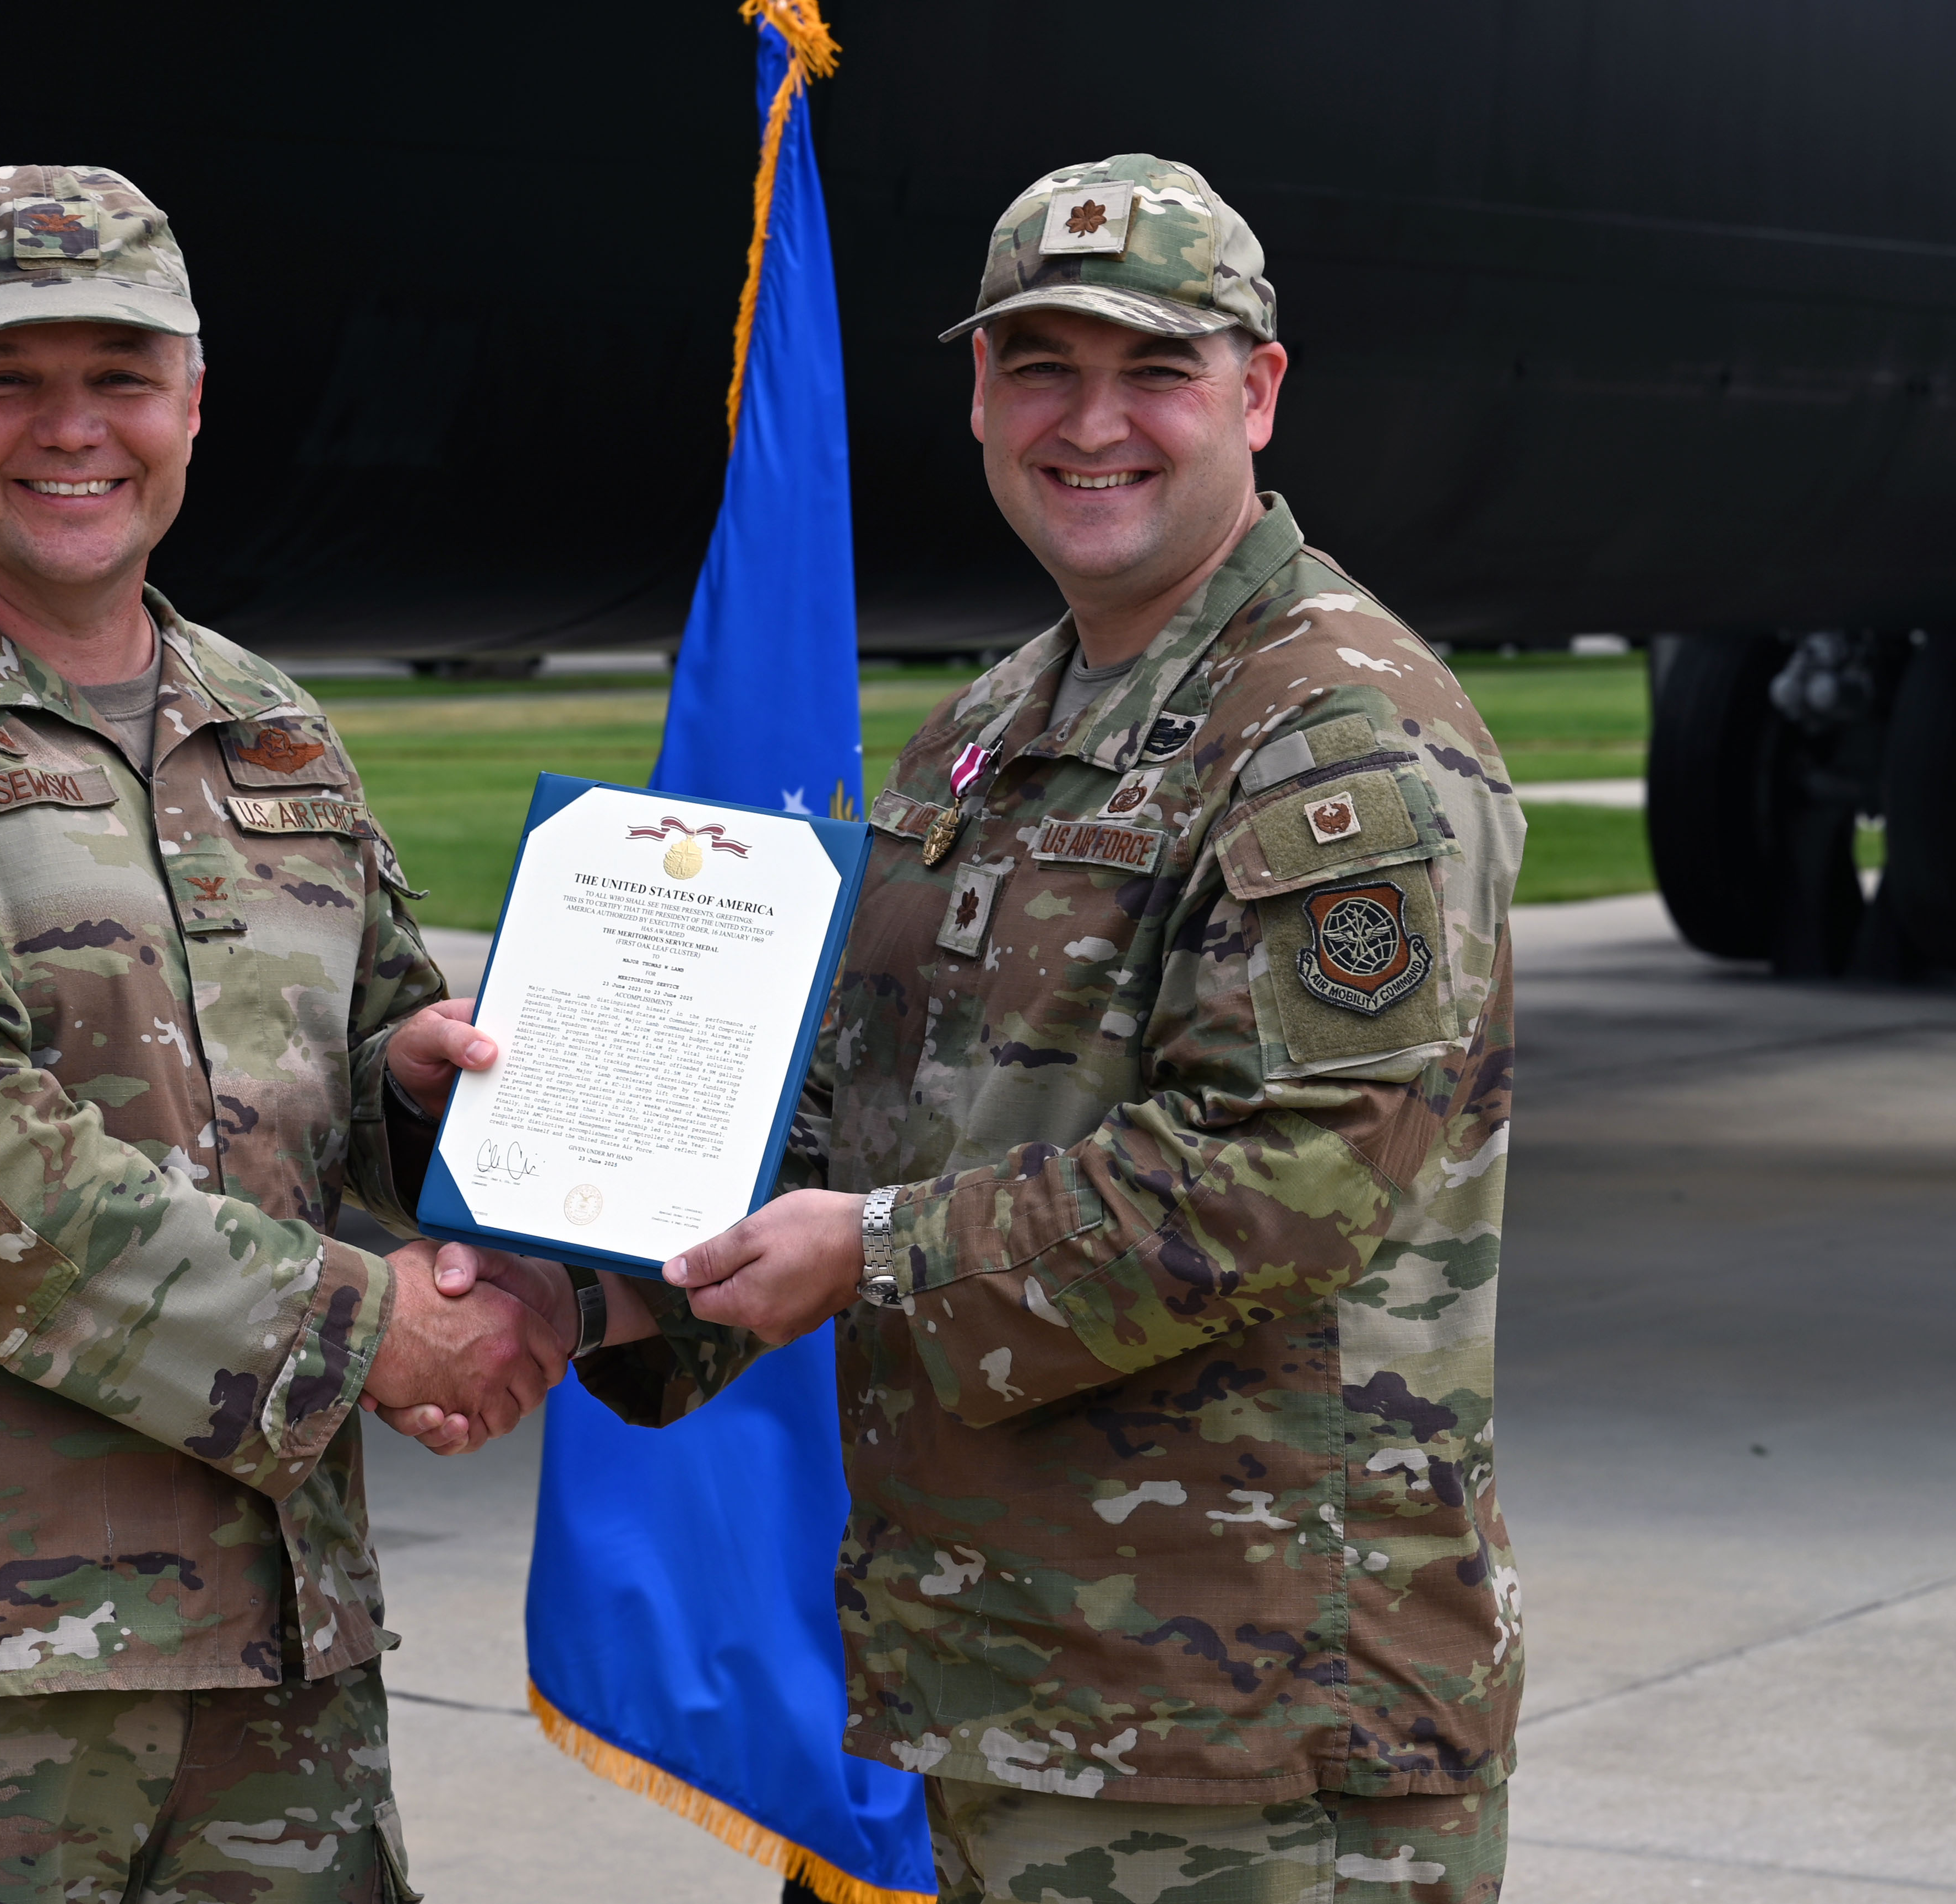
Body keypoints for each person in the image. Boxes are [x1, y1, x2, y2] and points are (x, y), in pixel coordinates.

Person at [431, 154, 1526, 1901]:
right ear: (976, 397)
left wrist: (863, 1256)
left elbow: (1285, 1181)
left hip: (1233, 1742)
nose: (1090, 421)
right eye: (1039, 366)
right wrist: (591, 1277)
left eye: (1153, 369)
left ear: (1256, 391)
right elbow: (844, 1109)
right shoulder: (987, 728)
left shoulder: (1337, 735)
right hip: (977, 1694)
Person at [0, 164, 561, 1904]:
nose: (70, 429)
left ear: (194, 407)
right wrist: (374, 1327)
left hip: (275, 1668)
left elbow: (360, 1058)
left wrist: (427, 1100)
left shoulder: (270, 728)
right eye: (8, 380)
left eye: (120, 377)